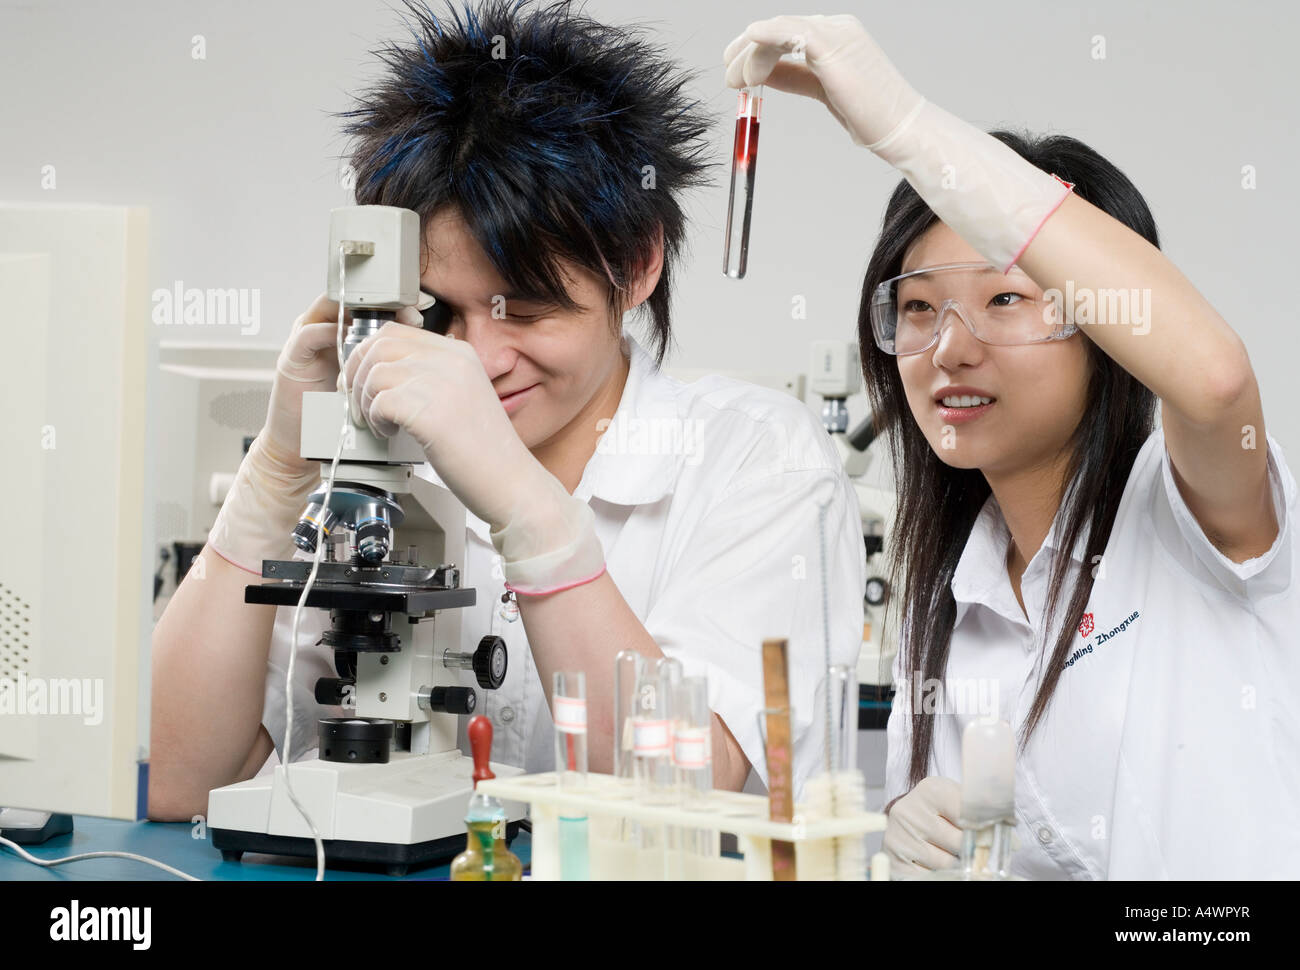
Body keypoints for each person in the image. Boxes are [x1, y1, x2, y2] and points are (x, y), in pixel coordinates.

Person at [148, 0, 865, 821]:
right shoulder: (375, 458)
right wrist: (275, 475)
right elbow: (180, 782)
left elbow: (683, 793)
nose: (480, 360)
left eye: (523, 310)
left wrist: (525, 509)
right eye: (441, 313)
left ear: (634, 267)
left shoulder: (757, 459)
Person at [724, 14, 1299, 878]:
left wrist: (908, 128)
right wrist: (915, 837)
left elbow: (1215, 378)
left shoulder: (1194, 514)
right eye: (919, 307)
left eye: (1005, 299)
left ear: (1103, 326)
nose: (949, 347)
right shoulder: (955, 595)